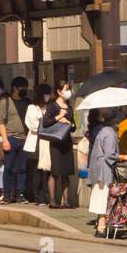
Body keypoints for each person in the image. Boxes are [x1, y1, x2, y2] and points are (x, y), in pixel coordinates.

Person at [86, 108, 127, 238]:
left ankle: (99, 225)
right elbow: (110, 155)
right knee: (103, 198)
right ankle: (101, 228)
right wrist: (125, 157)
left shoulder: (101, 131)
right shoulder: (110, 133)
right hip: (104, 171)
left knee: (100, 197)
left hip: (97, 169)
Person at [42, 79, 76, 208]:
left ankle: (65, 201)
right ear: (59, 92)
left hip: (67, 142)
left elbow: (74, 127)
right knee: (55, 171)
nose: (68, 92)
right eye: (66, 89)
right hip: (56, 142)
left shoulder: (70, 107)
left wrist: (70, 123)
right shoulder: (52, 106)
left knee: (66, 172)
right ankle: (52, 200)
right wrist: (59, 117)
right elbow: (45, 123)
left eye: (69, 89)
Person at [0, 77, 31, 204]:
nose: (24, 89)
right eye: (22, 87)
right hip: (10, 138)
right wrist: (5, 140)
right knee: (9, 168)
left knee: (22, 168)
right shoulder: (5, 101)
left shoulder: (28, 102)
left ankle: (20, 194)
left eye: (25, 87)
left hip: (24, 139)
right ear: (15, 88)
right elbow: (1, 122)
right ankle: (7, 195)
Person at [23, 84, 52, 206]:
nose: (48, 96)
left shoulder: (50, 107)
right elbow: (32, 125)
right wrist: (46, 123)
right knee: (37, 172)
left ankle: (48, 196)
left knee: (47, 171)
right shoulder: (32, 108)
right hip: (35, 142)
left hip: (48, 141)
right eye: (46, 93)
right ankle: (38, 197)